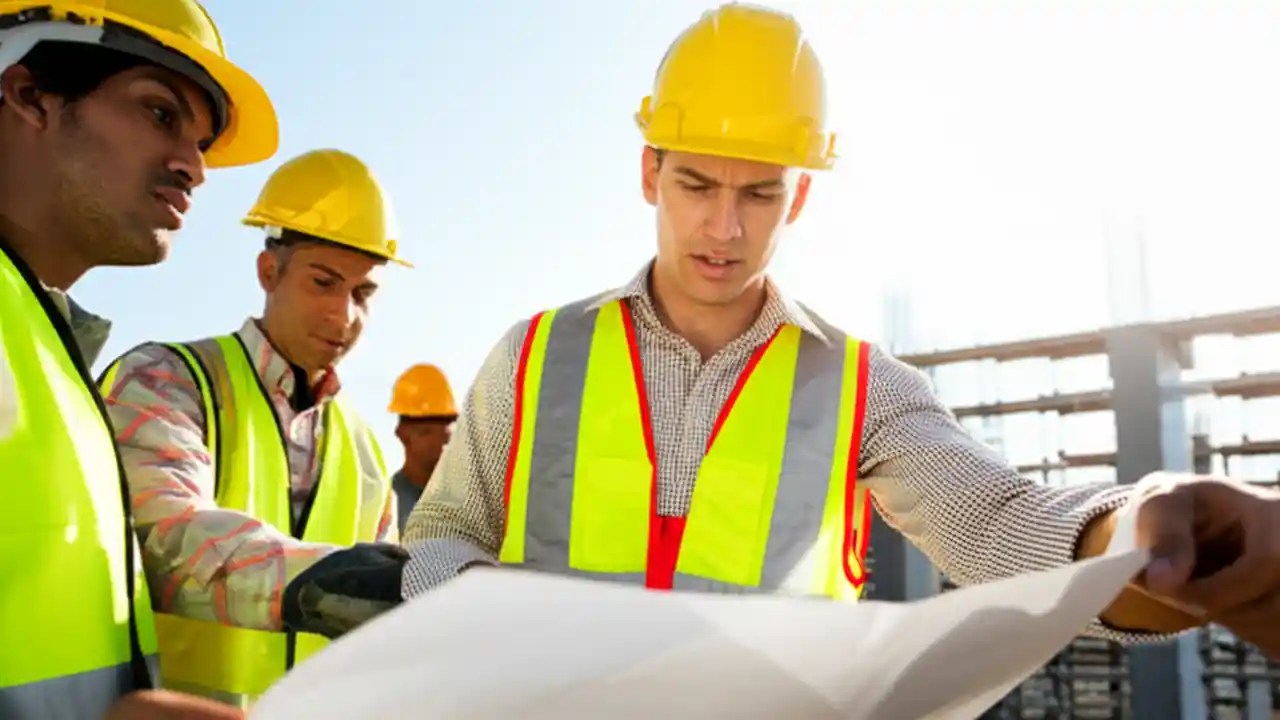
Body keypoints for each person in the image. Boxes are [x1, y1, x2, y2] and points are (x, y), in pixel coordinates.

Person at [399, 2, 1280, 659]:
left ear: (800, 197)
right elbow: (441, 532)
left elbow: (996, 522)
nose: (724, 228)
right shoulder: (534, 356)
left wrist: (1134, 535)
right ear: (648, 173)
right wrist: (485, 611)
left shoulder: (862, 386)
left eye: (759, 194)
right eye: (696, 185)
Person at [0, 1, 278, 718]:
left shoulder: (44, 344)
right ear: (29, 94)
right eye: (160, 113)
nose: (196, 168)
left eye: (201, 142)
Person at [98, 148, 411, 707]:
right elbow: (167, 539)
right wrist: (326, 583)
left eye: (363, 294)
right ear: (269, 272)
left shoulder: (366, 450)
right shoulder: (167, 379)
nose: (344, 315)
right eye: (323, 282)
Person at [387, 363, 459, 532]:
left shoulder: (469, 501)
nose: (442, 441)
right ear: (402, 434)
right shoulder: (387, 506)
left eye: (447, 430)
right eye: (426, 432)